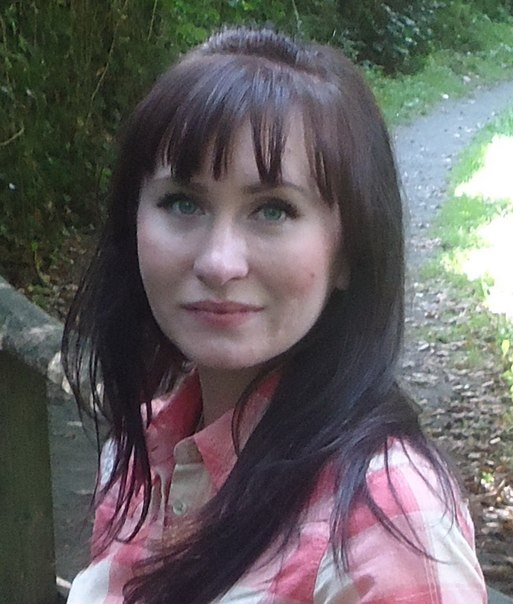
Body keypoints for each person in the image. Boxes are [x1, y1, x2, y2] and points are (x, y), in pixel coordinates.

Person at [63, 26, 486, 604]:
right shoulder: (140, 455)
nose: (218, 262)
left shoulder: (385, 520)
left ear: (349, 251)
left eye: (272, 211)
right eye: (182, 203)